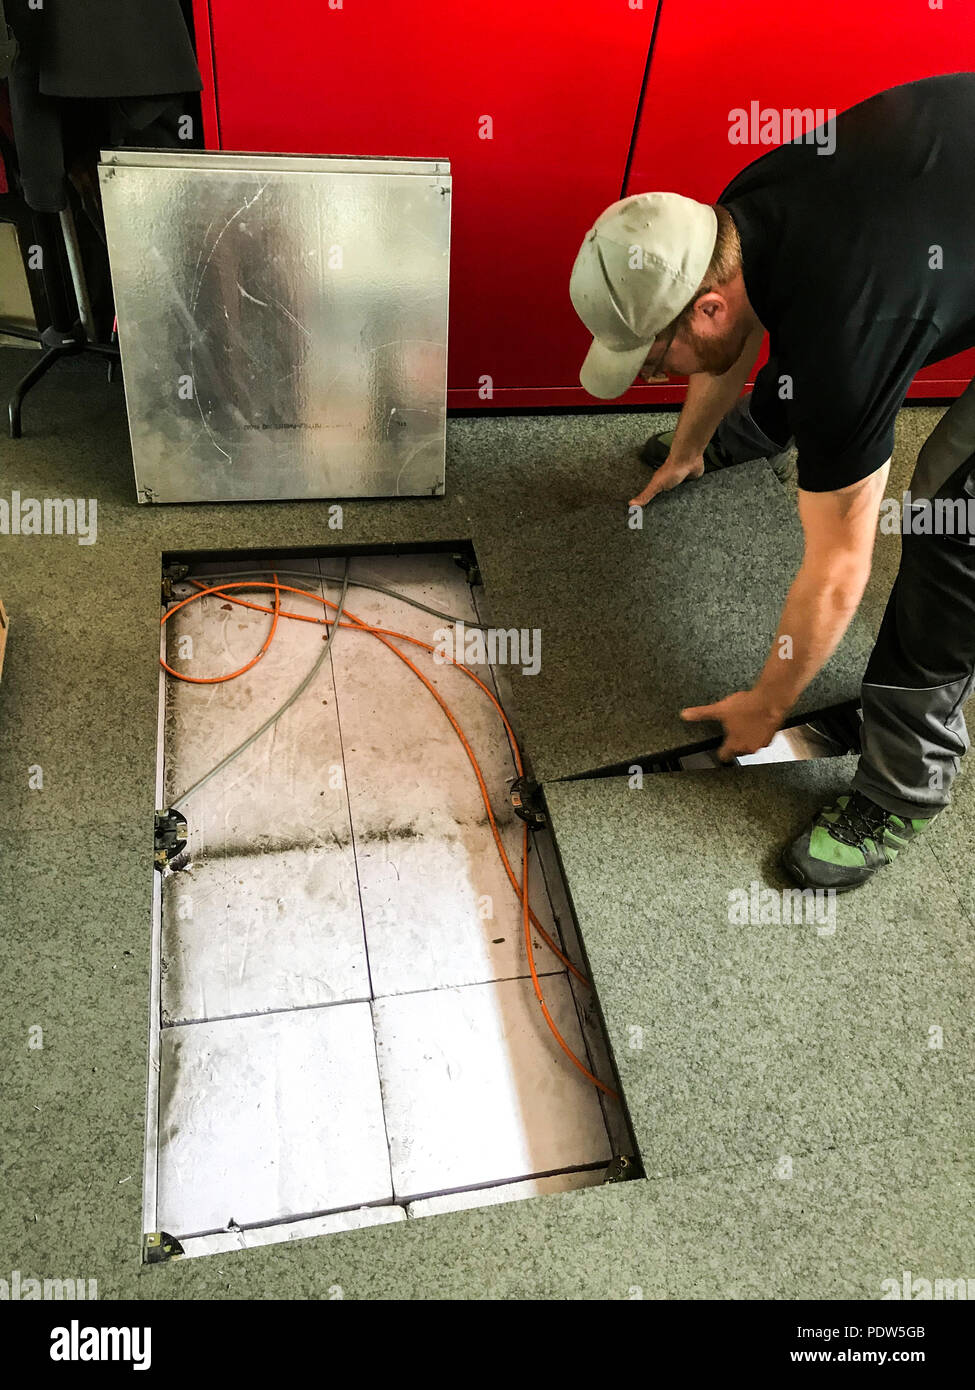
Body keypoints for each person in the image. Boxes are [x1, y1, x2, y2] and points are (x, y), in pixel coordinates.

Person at [569, 73, 975, 891]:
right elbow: (746, 326)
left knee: (946, 516)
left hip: (894, 275)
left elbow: (838, 571)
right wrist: (692, 448)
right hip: (933, 210)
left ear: (704, 306)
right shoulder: (734, 217)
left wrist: (764, 703)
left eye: (653, 358)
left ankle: (902, 790)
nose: (652, 373)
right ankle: (762, 433)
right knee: (813, 324)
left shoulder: (846, 343)